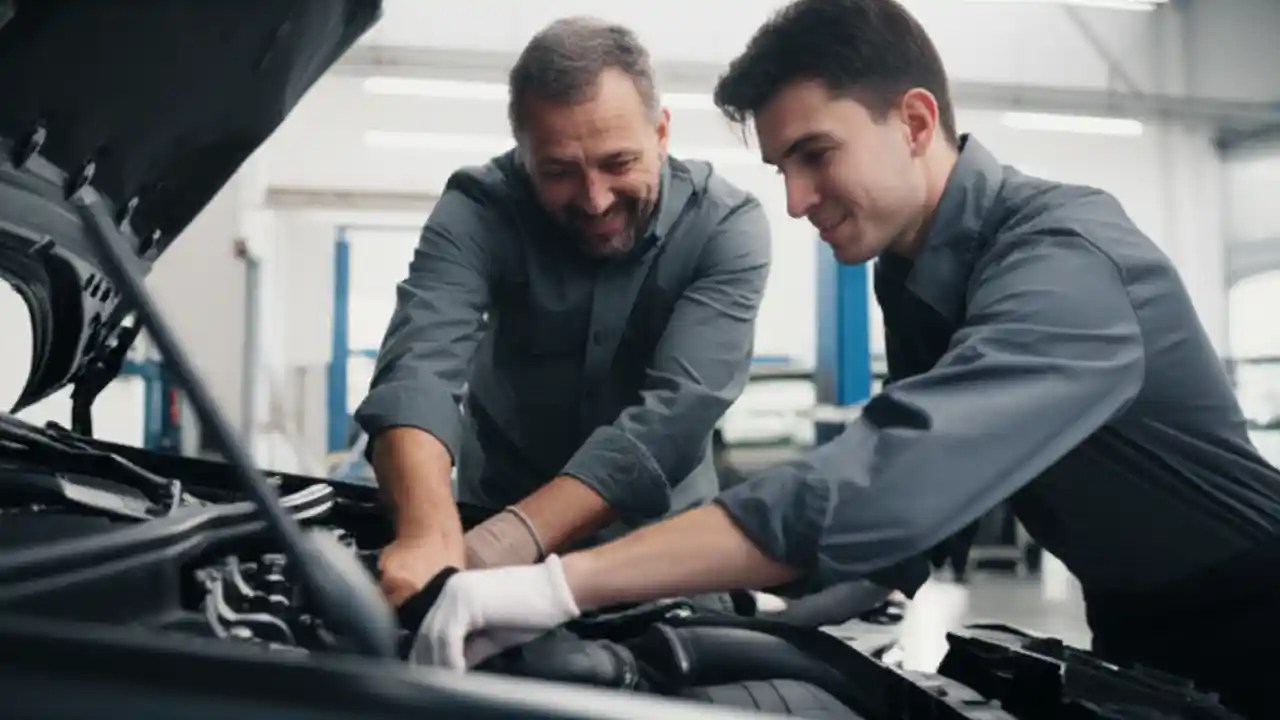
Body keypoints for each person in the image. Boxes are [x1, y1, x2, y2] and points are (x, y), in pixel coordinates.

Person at [410, 1, 1280, 716]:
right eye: (782, 166)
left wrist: (560, 586)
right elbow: (909, 541)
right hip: (1134, 631)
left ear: (914, 120)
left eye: (815, 155)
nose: (793, 202)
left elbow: (887, 483)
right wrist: (759, 614)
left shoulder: (1068, 260)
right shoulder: (914, 275)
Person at [354, 18, 770, 607]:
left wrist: (500, 546)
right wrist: (429, 532)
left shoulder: (725, 228)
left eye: (618, 163)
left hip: (662, 553)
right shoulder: (479, 208)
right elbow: (419, 367)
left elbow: (675, 415)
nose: (595, 199)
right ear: (523, 155)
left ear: (662, 132)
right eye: (559, 172)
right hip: (486, 515)